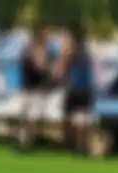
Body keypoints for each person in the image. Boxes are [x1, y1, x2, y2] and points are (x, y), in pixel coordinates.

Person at [57, 25, 95, 154]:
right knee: (82, 119)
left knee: (74, 119)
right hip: (85, 89)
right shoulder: (86, 53)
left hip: (76, 89)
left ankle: (74, 145)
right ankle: (81, 146)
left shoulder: (71, 54)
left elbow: (62, 72)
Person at [18, 25, 52, 150]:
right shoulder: (35, 51)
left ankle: (27, 140)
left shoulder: (29, 50)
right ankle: (27, 141)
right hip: (34, 89)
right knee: (31, 117)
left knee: (30, 117)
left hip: (32, 88)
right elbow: (40, 68)